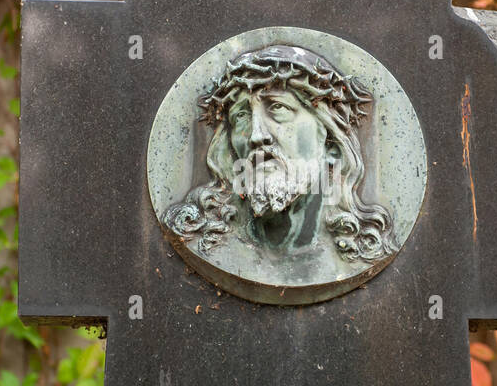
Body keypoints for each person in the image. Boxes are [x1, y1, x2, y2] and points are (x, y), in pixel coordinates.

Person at [163, 44, 397, 265]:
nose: (256, 135)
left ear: (331, 143)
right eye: (240, 116)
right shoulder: (206, 242)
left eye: (278, 108)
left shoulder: (363, 248)